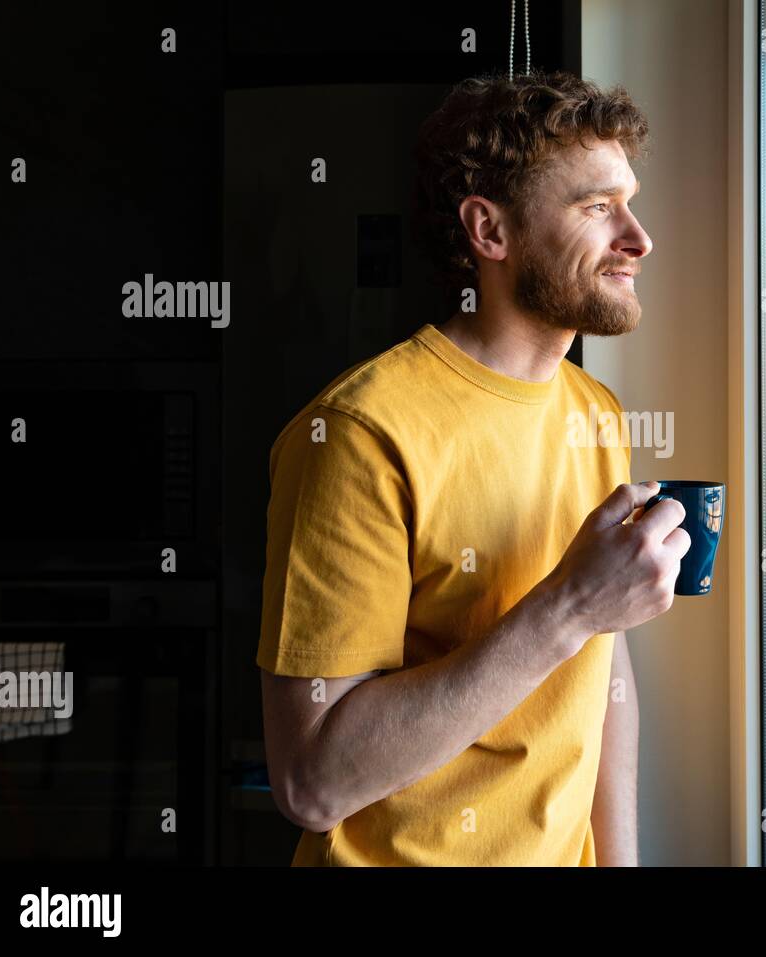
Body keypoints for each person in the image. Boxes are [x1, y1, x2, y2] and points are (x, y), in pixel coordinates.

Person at [254, 71, 690, 866]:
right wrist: (568, 606)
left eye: (628, 200)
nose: (638, 236)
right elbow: (310, 781)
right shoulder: (358, 433)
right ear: (490, 232)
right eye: (597, 207)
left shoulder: (597, 412)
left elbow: (602, 669)